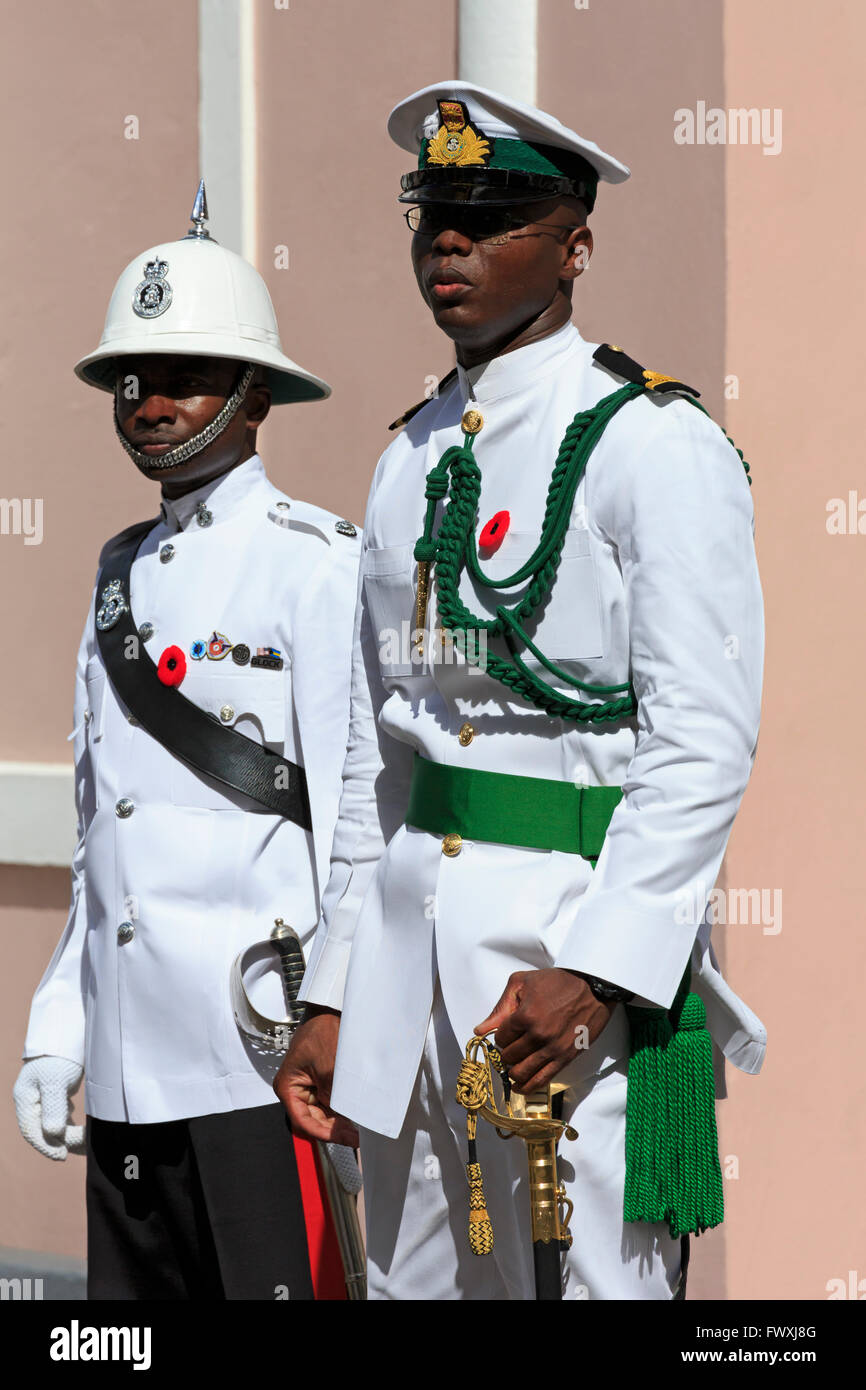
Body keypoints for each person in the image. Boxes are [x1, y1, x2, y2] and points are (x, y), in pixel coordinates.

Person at [276, 82, 767, 1301]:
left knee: (588, 1289)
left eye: (491, 215)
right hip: (404, 973)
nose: (449, 241)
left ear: (573, 243)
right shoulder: (407, 456)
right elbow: (376, 752)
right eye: (432, 212)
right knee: (410, 1288)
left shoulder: (650, 443)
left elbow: (699, 742)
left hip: (562, 960)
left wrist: (599, 973)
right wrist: (336, 982)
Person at [14, 185, 362, 1300]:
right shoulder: (117, 571)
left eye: (183, 376)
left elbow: (358, 820)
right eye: (134, 378)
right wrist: (58, 1027)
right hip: (127, 1070)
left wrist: (338, 1010)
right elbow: (94, 843)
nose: (150, 401)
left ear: (255, 392)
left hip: (256, 1058)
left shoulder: (315, 561)